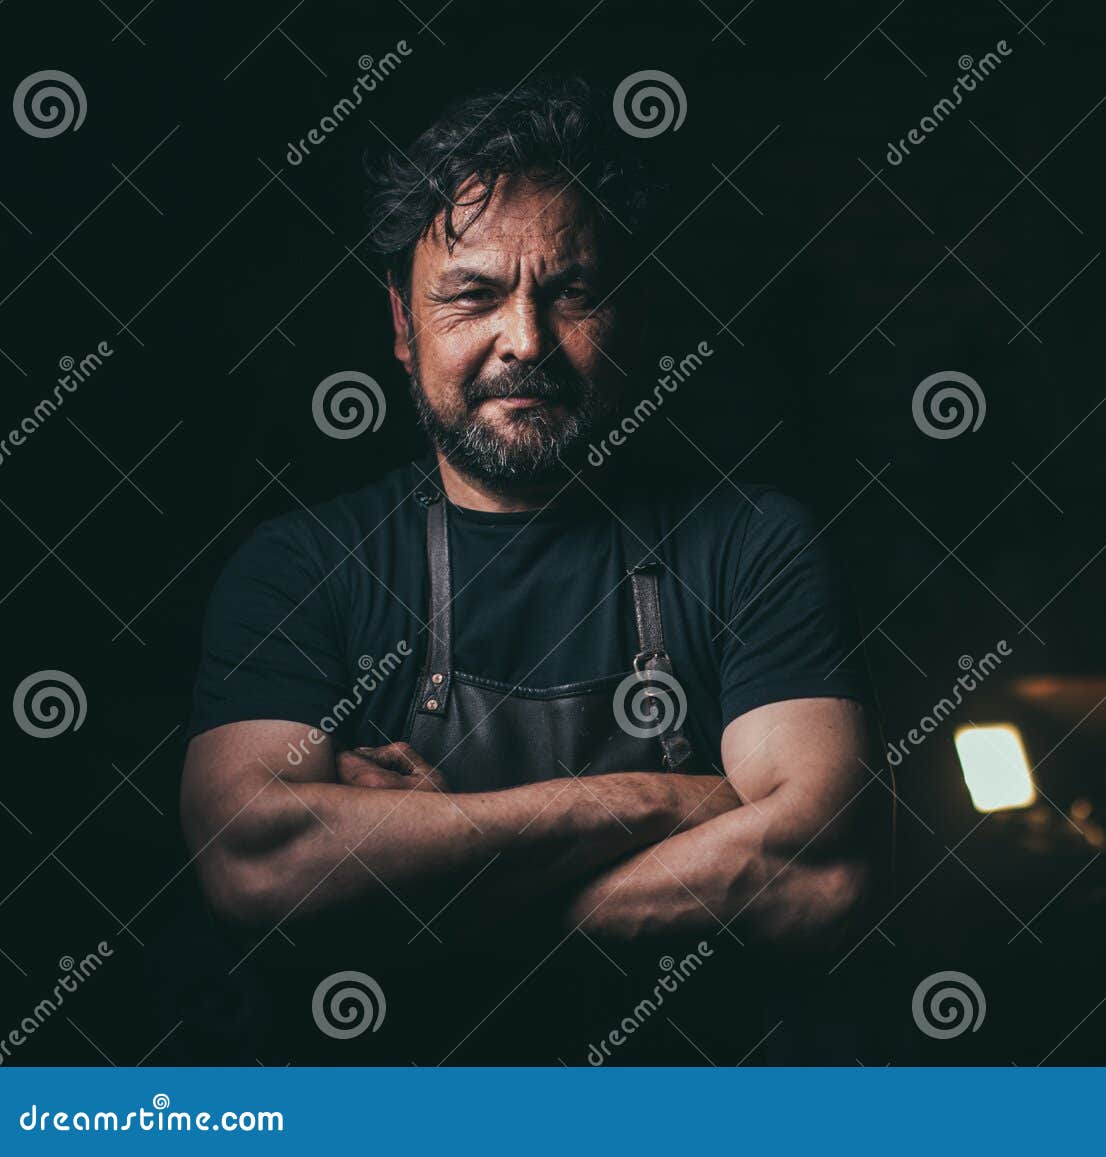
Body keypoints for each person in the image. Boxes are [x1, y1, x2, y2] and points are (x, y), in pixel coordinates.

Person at [176, 76, 888, 1064]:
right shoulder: (302, 566)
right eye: (472, 293)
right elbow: (257, 860)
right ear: (399, 324)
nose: (525, 339)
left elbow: (821, 868)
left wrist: (412, 890)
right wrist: (647, 802)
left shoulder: (751, 544)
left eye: (572, 291)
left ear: (628, 313)